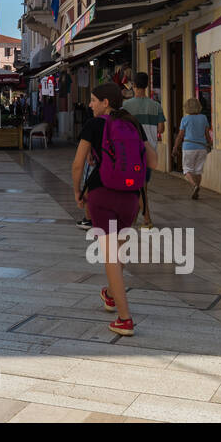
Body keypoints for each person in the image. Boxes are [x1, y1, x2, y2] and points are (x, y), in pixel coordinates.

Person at [72, 82, 159, 337]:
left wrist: (77, 192)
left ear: (105, 102)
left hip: (102, 195)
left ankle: (125, 319)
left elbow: (77, 165)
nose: (90, 104)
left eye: (93, 100)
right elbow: (153, 161)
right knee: (118, 253)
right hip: (130, 198)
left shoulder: (93, 125)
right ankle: (110, 294)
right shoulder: (132, 123)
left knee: (110, 256)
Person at [122, 72, 166, 226]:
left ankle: (145, 219)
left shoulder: (126, 106)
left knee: (136, 186)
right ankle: (139, 218)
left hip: (131, 150)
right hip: (149, 151)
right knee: (141, 185)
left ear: (133, 85)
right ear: (147, 85)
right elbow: (161, 128)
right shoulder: (156, 105)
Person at [174, 97, 213, 199]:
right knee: (198, 171)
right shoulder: (204, 118)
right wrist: (210, 144)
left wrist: (175, 147)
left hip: (189, 147)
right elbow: (207, 134)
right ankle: (197, 188)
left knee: (187, 170)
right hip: (202, 148)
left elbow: (180, 135)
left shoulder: (185, 119)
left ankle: (195, 186)